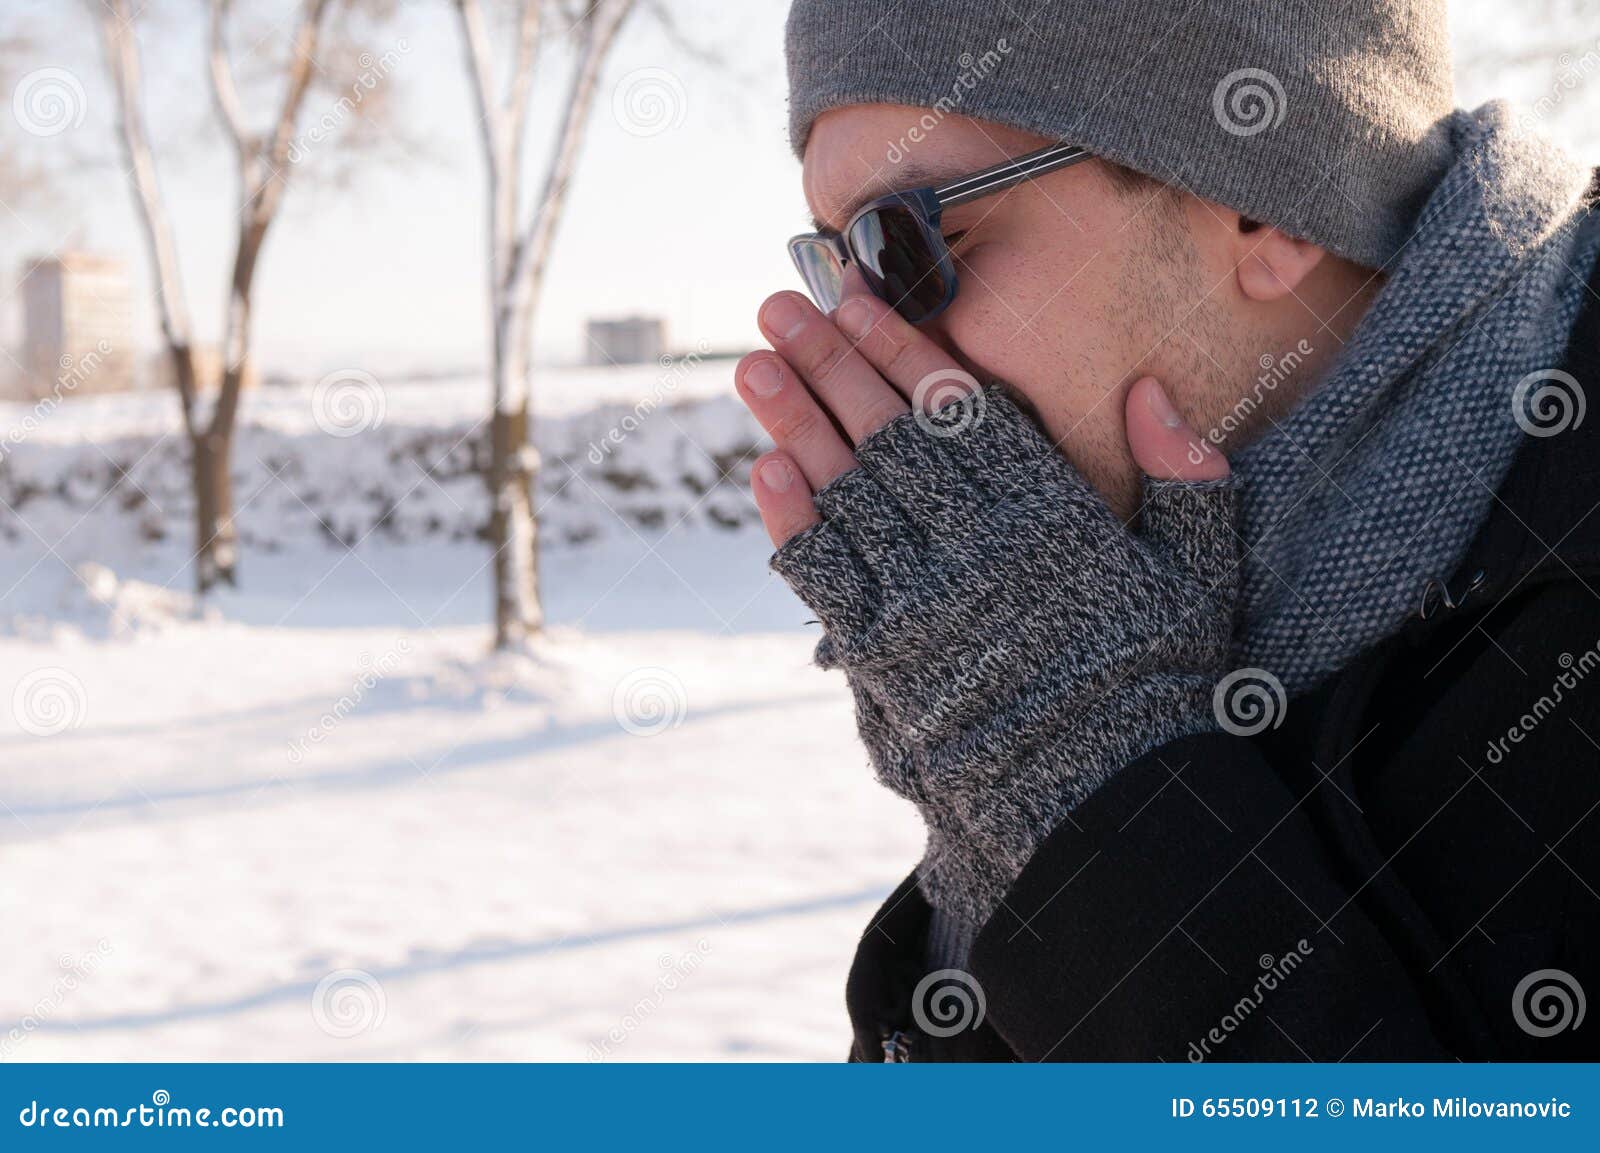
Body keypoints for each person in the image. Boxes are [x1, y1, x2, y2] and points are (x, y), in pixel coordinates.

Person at [733, 0, 1600, 1061]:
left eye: (903, 242)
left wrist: (1084, 785)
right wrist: (1007, 811)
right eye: (835, 264)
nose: (861, 341)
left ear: (1263, 206)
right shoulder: (1124, 570)